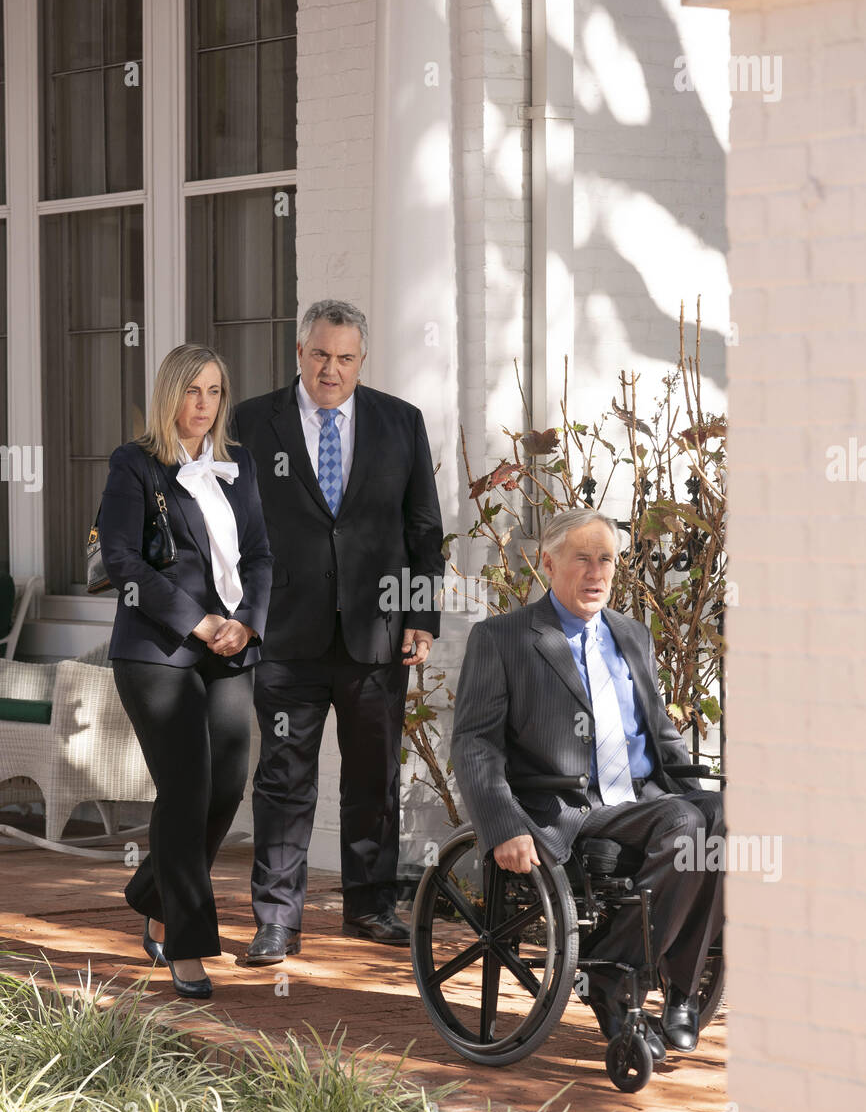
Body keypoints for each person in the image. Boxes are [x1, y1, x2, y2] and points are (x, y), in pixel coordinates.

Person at [450, 507, 724, 1059]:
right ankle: (623, 976)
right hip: (568, 807)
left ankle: (676, 992)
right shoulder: (502, 639)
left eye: (606, 559)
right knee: (686, 821)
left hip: (644, 798)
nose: (596, 572)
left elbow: (661, 734)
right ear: (548, 563)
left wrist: (702, 785)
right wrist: (502, 825)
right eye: (583, 558)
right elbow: (474, 745)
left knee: (719, 815)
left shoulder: (631, 635)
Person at [232, 299, 445, 962]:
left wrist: (421, 617)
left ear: (361, 359)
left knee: (374, 778)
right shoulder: (251, 422)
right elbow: (231, 526)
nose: (331, 369)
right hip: (283, 637)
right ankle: (277, 920)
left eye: (345, 358)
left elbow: (423, 531)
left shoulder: (400, 423)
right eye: (320, 354)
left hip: (376, 634)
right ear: (300, 352)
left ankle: (371, 908)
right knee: (283, 779)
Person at [99, 344, 272, 998]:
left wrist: (247, 621)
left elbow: (258, 554)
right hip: (157, 650)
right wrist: (198, 621)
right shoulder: (135, 465)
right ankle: (186, 940)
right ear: (170, 393)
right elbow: (122, 563)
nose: (203, 405)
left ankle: (154, 888)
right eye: (192, 391)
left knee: (227, 784)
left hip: (231, 645)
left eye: (215, 392)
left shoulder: (240, 464)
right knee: (188, 785)